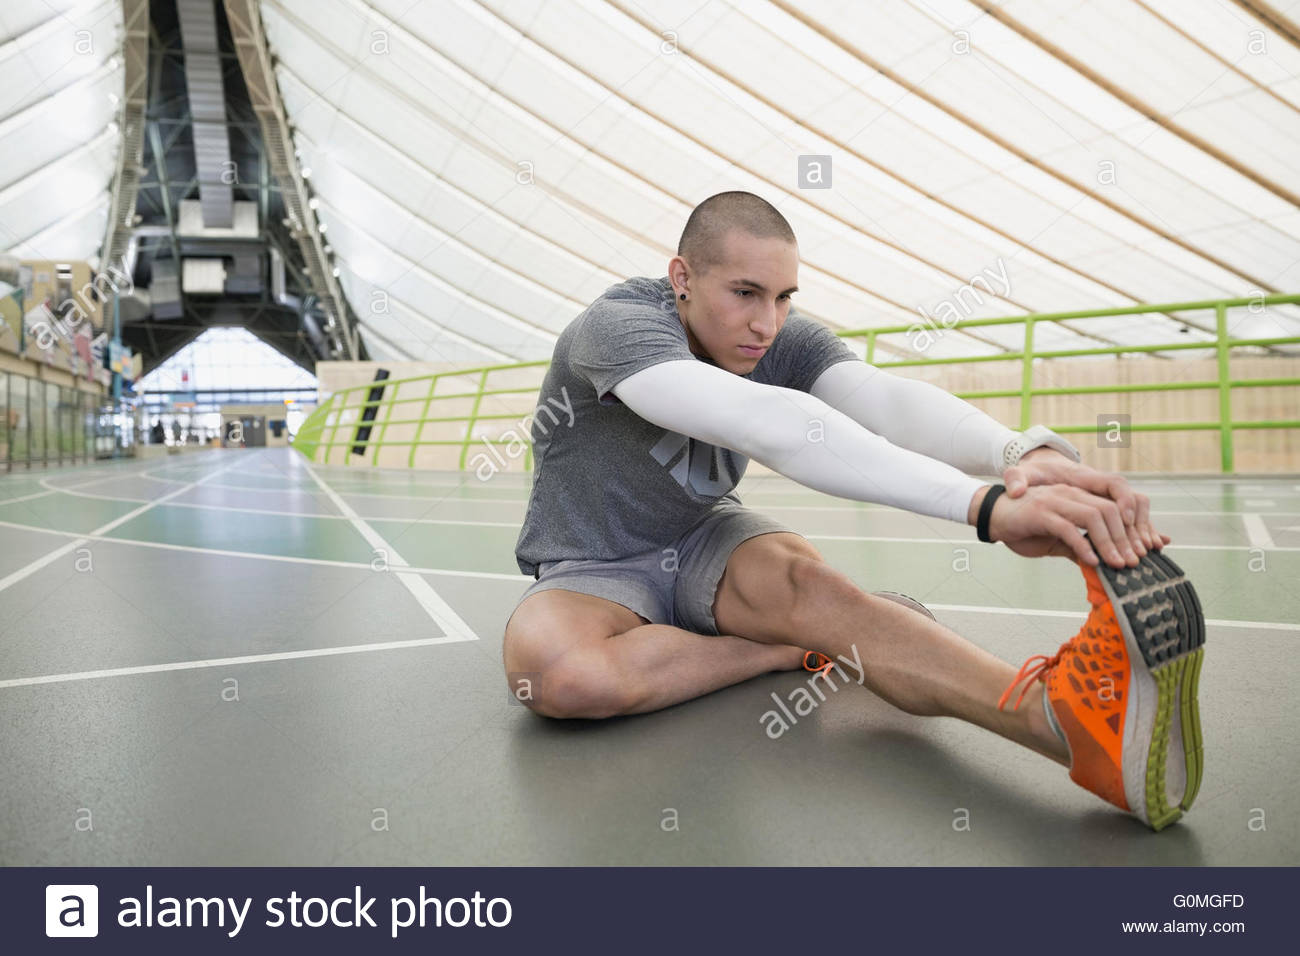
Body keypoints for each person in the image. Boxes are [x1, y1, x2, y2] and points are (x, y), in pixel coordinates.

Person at [504, 191, 1204, 832]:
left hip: (704, 540)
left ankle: (1071, 729)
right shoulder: (618, 327)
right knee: (561, 676)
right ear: (681, 277)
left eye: (783, 297)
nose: (765, 323)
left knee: (822, 591)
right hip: (591, 564)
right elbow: (766, 422)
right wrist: (986, 509)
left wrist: (1021, 453)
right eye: (745, 293)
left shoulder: (780, 337)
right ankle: (780, 648)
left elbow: (883, 401)